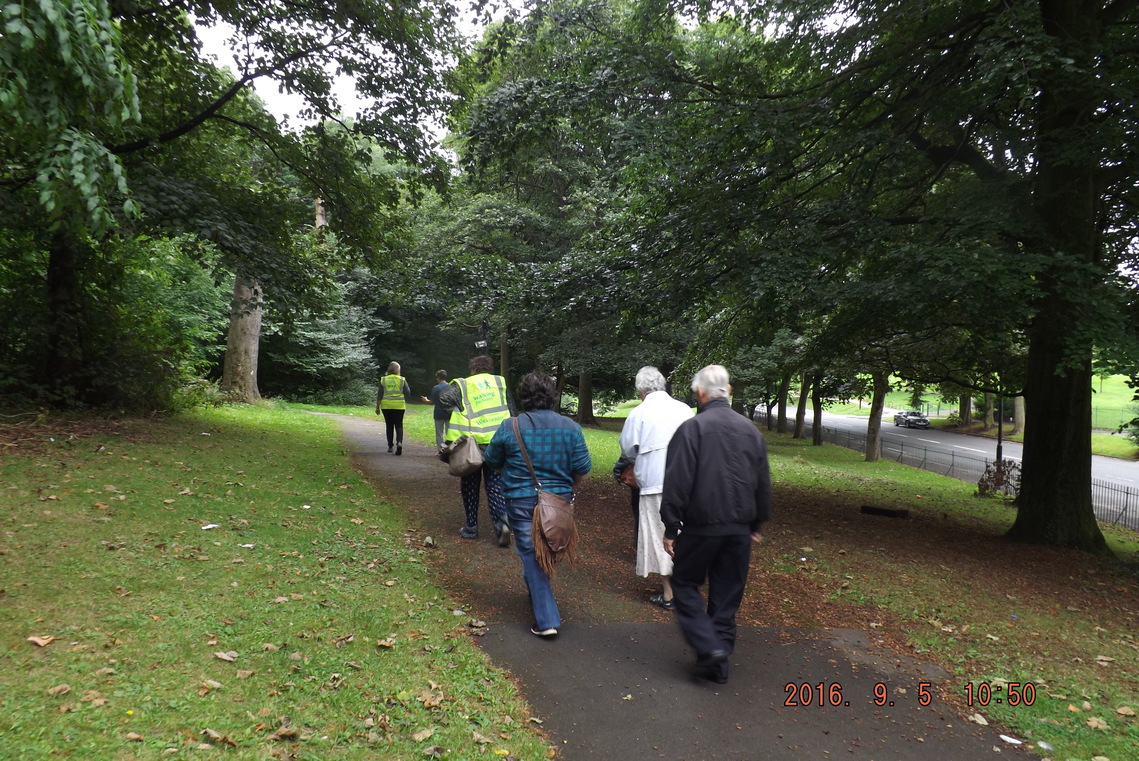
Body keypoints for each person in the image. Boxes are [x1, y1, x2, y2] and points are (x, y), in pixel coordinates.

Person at [661, 364, 772, 685]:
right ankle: (718, 666)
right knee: (726, 596)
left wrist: (671, 527)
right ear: (729, 390)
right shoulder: (751, 431)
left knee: (683, 584)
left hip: (702, 526)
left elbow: (677, 483)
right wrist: (756, 524)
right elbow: (762, 483)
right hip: (739, 528)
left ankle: (709, 648)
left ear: (699, 393)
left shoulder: (692, 429)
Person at [484, 371, 592, 637]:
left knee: (532, 556)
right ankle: (536, 587)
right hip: (558, 502)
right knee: (543, 551)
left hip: (520, 500)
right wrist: (569, 487)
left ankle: (547, 621)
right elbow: (582, 467)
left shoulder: (511, 426)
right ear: (552, 396)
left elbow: (491, 459)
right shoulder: (571, 428)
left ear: (524, 396)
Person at [618, 366, 693, 610]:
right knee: (685, 533)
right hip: (688, 481)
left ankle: (670, 593)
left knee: (660, 534)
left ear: (641, 390)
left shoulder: (639, 413)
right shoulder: (683, 409)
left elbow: (629, 448)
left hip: (654, 482)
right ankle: (686, 586)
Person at [440, 355, 513, 545]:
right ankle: (502, 525)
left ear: (473, 368)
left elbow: (444, 398)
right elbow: (511, 410)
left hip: (471, 446)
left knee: (470, 485)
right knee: (496, 487)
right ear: (489, 369)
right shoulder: (499, 383)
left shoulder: (463, 385)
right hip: (497, 444)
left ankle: (471, 528)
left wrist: (459, 410)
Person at [376, 361, 411, 455]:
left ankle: (390, 446)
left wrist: (377, 407)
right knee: (399, 425)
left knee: (389, 425)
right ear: (398, 370)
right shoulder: (402, 379)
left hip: (386, 406)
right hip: (399, 406)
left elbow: (380, 394)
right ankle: (399, 442)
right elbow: (408, 393)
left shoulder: (383, 380)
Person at [421, 369, 452, 450]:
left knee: (439, 433)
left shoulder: (436, 388)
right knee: (449, 433)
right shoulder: (450, 387)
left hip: (439, 413)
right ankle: (450, 449)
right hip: (449, 413)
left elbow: (431, 401)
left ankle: (440, 450)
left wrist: (425, 400)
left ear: (438, 378)